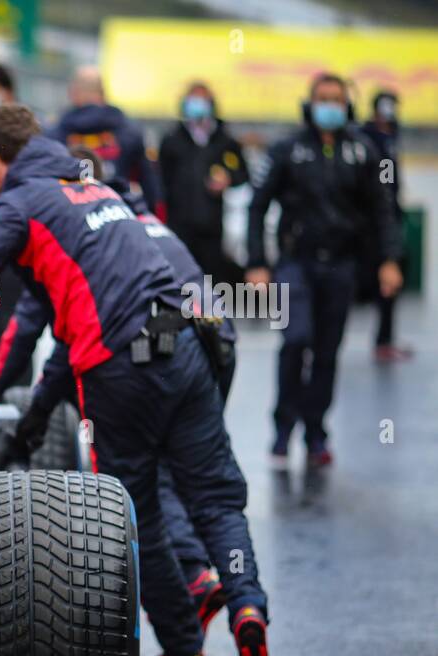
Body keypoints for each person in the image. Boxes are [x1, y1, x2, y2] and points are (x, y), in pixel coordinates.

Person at [0, 103, 272, 656]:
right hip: (187, 344)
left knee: (139, 515)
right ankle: (248, 612)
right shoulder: (97, 190)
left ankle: (185, 649)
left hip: (119, 373)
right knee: (215, 497)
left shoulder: (22, 204)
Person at [246, 73, 402, 468]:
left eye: (336, 99)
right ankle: (283, 428)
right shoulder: (286, 149)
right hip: (294, 264)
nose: (329, 106)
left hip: (342, 266)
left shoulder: (365, 153)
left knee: (327, 352)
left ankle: (315, 431)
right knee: (295, 340)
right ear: (309, 103)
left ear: (347, 105)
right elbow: (257, 206)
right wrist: (257, 263)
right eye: (322, 98)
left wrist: (389, 260)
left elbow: (383, 209)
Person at [158, 81, 248, 286]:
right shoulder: (172, 139)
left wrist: (228, 179)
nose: (198, 105)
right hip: (178, 225)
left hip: (212, 227)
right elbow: (161, 181)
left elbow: (242, 174)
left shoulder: (225, 141)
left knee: (211, 284)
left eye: (203, 99)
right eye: (193, 99)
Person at [51, 65, 161, 213]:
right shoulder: (129, 131)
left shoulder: (56, 134)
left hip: (70, 217)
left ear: (73, 93)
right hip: (118, 215)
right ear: (103, 94)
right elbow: (150, 189)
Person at [360, 89, 410, 362]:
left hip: (384, 214)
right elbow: (383, 175)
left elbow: (389, 176)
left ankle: (384, 340)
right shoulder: (369, 137)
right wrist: (386, 193)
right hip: (368, 220)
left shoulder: (391, 136)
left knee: (391, 274)